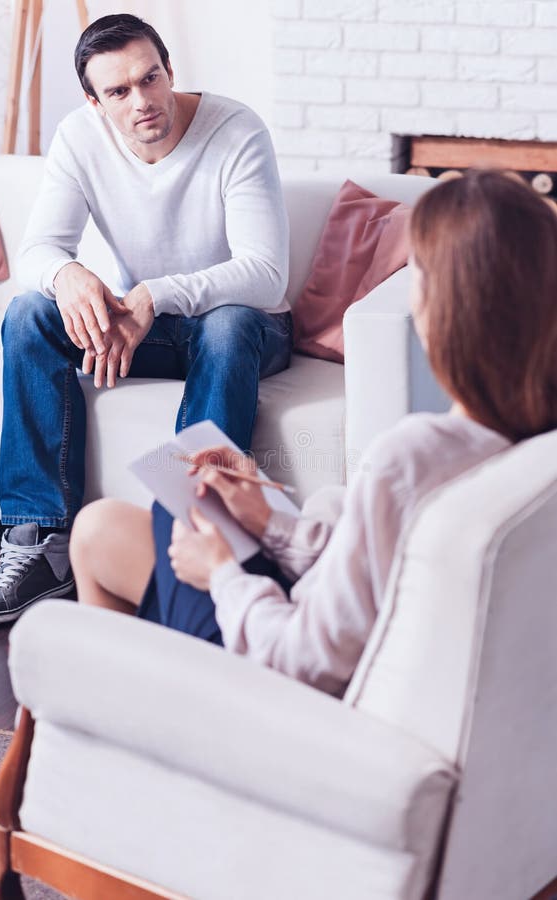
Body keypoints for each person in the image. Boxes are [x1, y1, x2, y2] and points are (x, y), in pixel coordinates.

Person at [52, 170, 557, 696]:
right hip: (331, 625)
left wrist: (222, 574)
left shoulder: (409, 458)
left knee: (175, 506)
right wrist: (271, 524)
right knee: (103, 526)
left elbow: (307, 660)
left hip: (292, 691)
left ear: (444, 314)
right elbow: (378, 570)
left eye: (418, 277)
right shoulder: (525, 446)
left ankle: (127, 725)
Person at [0, 14, 292, 627]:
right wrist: (69, 276)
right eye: (118, 92)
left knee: (227, 325)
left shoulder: (236, 130)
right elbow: (38, 252)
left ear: (170, 72)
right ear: (94, 102)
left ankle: (200, 542)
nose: (142, 101)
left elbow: (265, 273)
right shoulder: (79, 138)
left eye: (151, 79)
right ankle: (40, 548)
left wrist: (153, 295)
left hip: (246, 329)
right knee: (30, 312)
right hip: (145, 323)